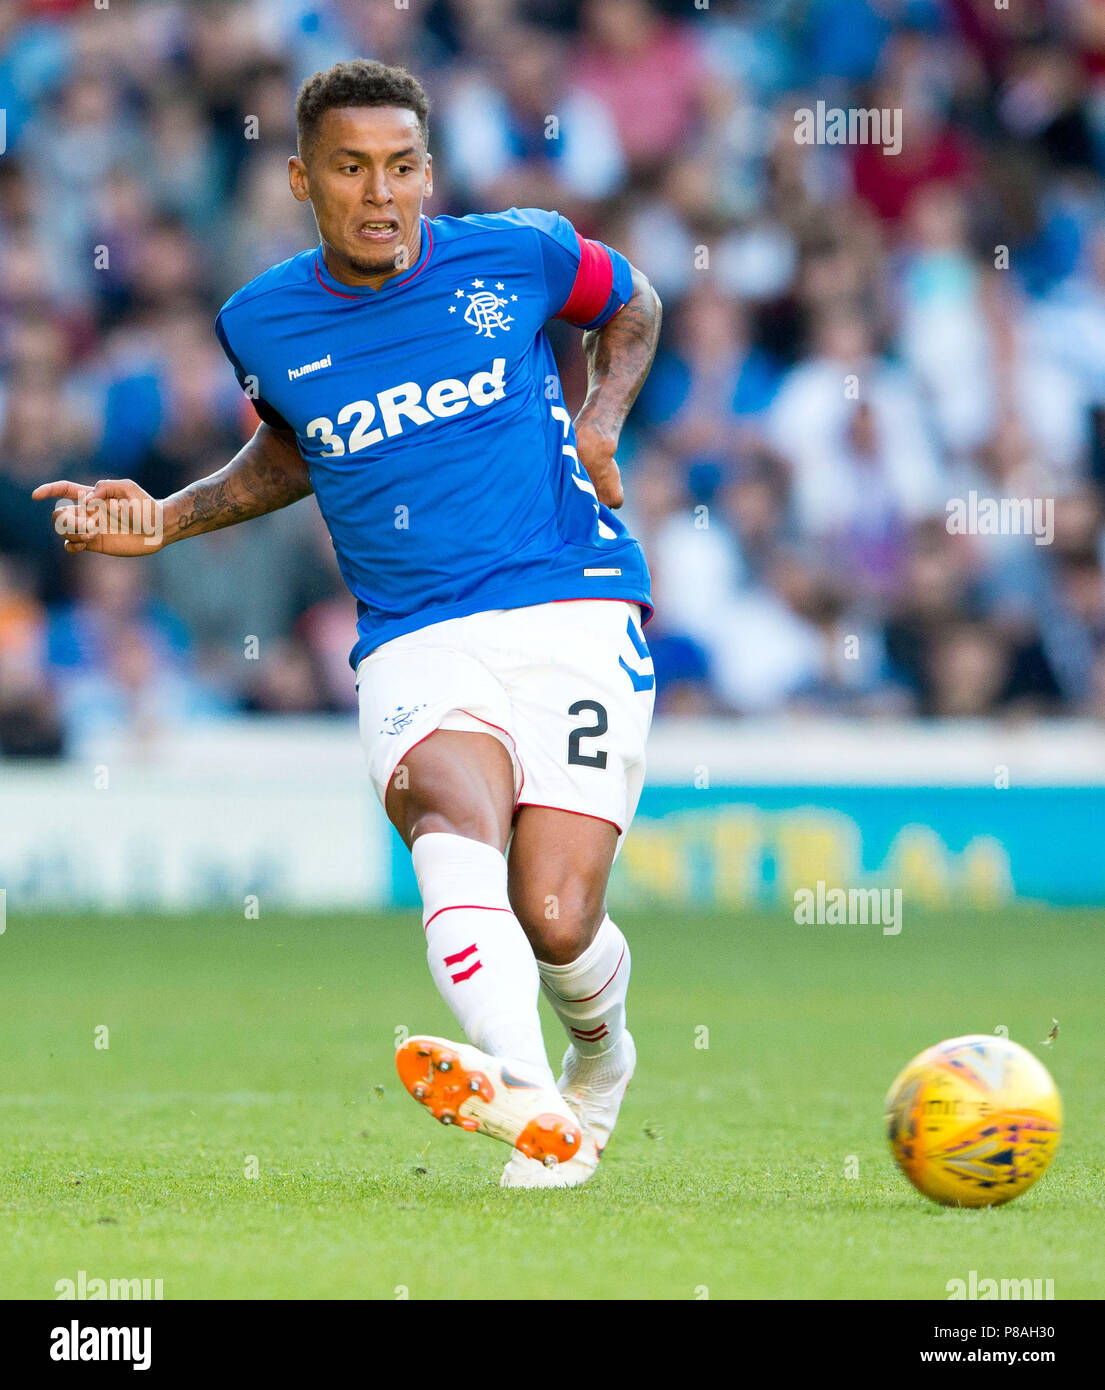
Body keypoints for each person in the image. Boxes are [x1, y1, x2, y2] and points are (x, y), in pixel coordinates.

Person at [33, 59, 662, 1189]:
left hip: (575, 601)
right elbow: (292, 447)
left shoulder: (517, 253)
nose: (381, 193)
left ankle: (599, 1056)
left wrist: (601, 420)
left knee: (556, 914)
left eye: (403, 167)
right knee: (446, 810)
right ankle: (528, 1099)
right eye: (352, 168)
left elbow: (634, 301)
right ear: (300, 178)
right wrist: (168, 520)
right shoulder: (261, 319)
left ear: (431, 172)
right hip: (417, 631)